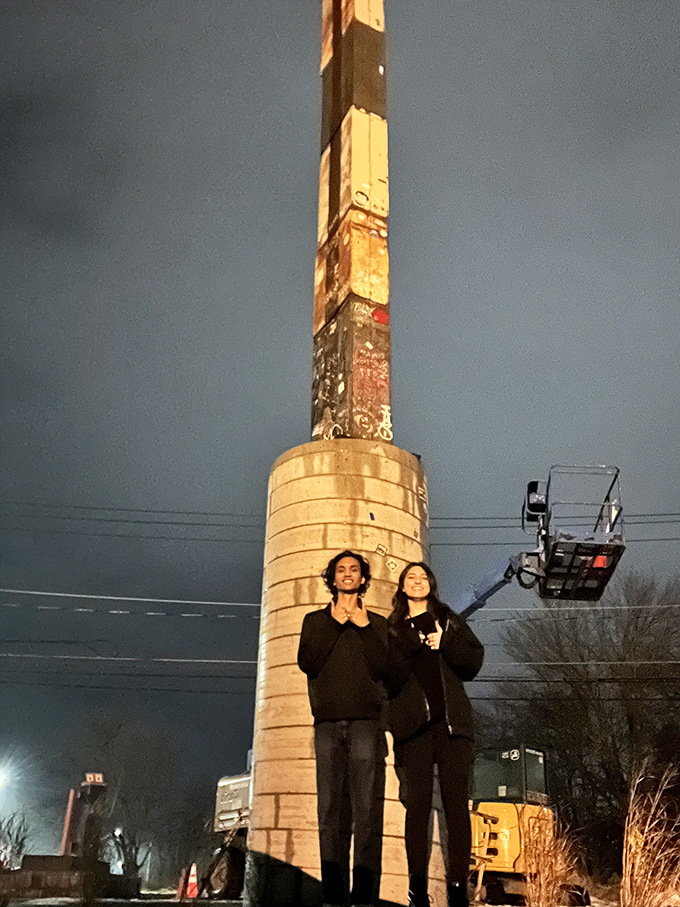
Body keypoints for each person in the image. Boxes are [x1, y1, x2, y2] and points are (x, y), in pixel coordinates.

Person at [385, 562, 484, 907]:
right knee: (418, 809)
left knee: (457, 807)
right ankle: (417, 891)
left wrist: (446, 643)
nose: (417, 580)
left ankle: (458, 890)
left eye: (422, 576)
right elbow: (389, 677)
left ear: (431, 583)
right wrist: (413, 642)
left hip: (453, 727)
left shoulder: (450, 619)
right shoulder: (392, 630)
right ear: (402, 586)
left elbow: (473, 663)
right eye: (410, 576)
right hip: (414, 730)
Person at [297, 551, 388, 907]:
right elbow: (308, 662)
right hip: (327, 723)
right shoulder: (314, 620)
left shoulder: (378, 624)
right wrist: (335, 623)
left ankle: (363, 896)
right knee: (329, 810)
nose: (347, 575)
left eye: (354, 570)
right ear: (332, 579)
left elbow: (384, 668)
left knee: (366, 810)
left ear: (363, 579)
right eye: (341, 570)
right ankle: (333, 895)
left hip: (367, 722)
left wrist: (364, 628)